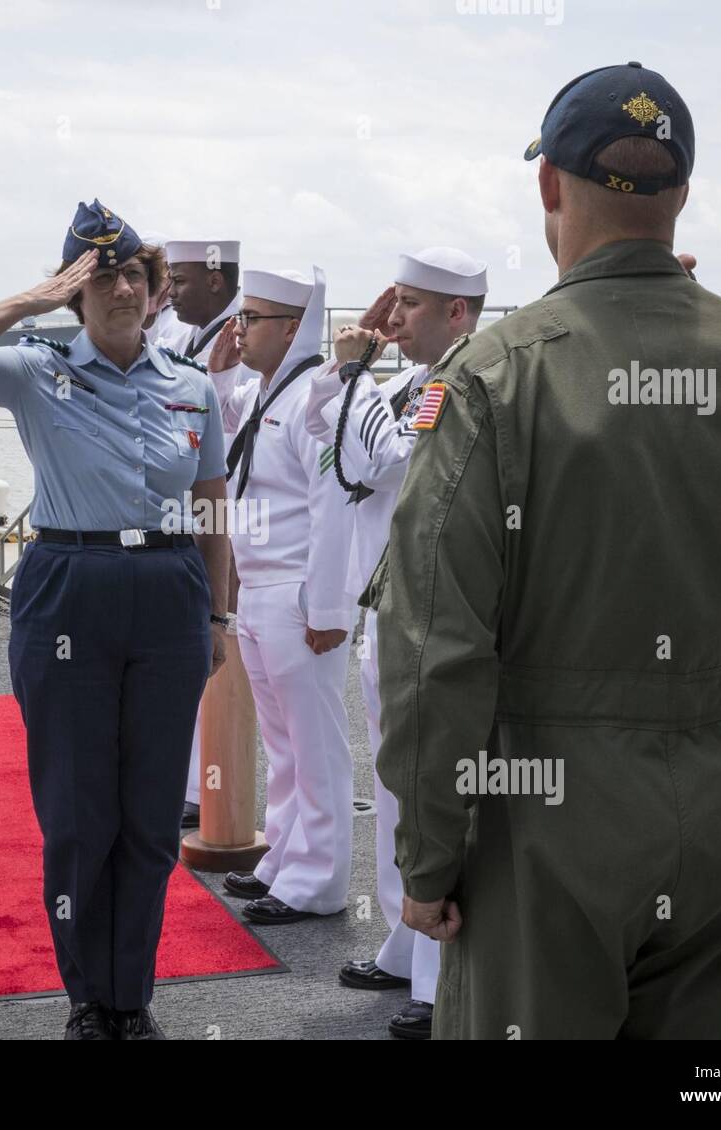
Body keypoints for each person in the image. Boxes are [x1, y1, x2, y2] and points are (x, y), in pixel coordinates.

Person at [370, 61, 721, 1038]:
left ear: (547, 184)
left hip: (544, 808)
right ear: (682, 196)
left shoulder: (489, 378)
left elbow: (434, 648)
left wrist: (429, 857)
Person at [0, 199, 232, 1040]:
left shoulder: (194, 387)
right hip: (69, 585)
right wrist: (29, 301)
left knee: (152, 815)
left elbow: (209, 512)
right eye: (101, 276)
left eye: (133, 273)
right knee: (80, 814)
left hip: (166, 591)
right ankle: (90, 997)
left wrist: (220, 615)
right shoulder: (37, 366)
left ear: (156, 290)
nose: (122, 287)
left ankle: (134, 995)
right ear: (75, 294)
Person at [304, 246, 488, 1039]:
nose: (393, 315)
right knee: (393, 784)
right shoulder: (412, 381)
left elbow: (380, 462)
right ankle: (407, 940)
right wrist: (357, 369)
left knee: (427, 790)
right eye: (395, 302)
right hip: (391, 603)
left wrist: (355, 378)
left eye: (410, 304)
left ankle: (440, 979)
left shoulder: (455, 382)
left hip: (431, 611)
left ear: (457, 313)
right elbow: (332, 439)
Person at [206, 267, 358, 925]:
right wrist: (214, 377)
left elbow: (333, 512)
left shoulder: (315, 401)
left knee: (317, 747)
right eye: (240, 317)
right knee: (285, 745)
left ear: (293, 329)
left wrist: (326, 609)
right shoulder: (267, 392)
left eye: (252, 319)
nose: (239, 330)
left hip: (298, 594)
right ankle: (286, 858)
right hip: (260, 589)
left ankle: (319, 881)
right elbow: (217, 431)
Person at [163, 238, 244, 828]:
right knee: (180, 660)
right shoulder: (175, 335)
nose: (170, 290)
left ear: (215, 280)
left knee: (213, 660)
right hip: (177, 520)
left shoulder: (244, 340)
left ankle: (201, 790)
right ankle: (182, 780)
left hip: (221, 525)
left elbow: (227, 433)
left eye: (181, 280)